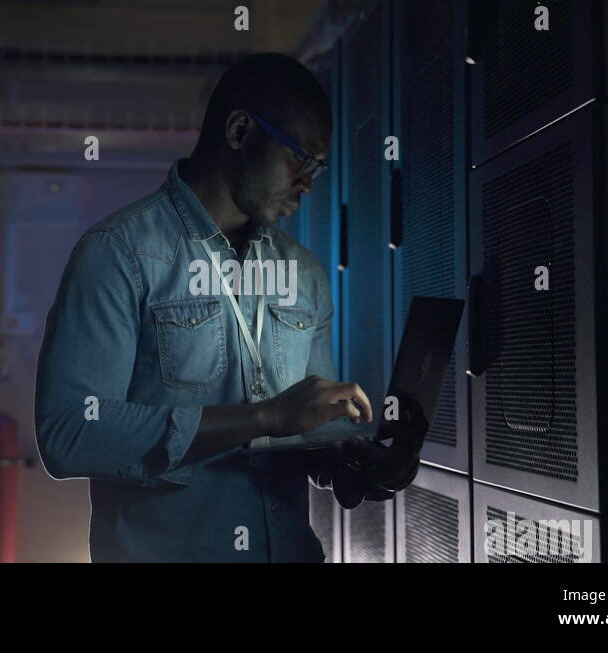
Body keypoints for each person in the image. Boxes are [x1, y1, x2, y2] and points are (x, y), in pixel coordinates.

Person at [34, 53, 427, 562]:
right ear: (240, 131)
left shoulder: (303, 273)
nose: (309, 182)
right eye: (300, 159)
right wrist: (261, 416)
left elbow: (306, 436)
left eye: (319, 168)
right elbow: (70, 432)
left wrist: (360, 464)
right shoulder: (118, 253)